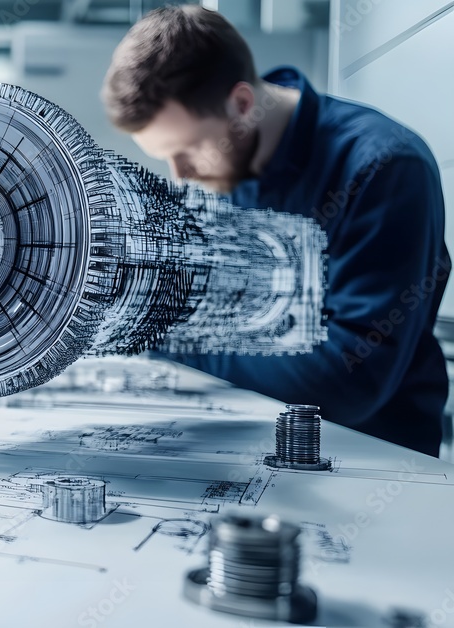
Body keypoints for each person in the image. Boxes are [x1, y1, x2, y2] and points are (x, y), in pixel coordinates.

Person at [101, 5, 450, 456]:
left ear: (243, 105)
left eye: (187, 151)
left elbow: (349, 379)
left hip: (370, 456)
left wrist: (170, 338)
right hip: (253, 436)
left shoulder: (383, 167)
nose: (181, 175)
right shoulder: (224, 172)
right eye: (165, 157)